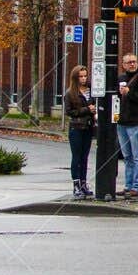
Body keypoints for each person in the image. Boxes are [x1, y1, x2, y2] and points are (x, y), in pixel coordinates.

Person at [115, 52, 138, 198]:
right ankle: (128, 185)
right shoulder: (121, 78)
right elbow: (117, 97)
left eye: (134, 61)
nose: (132, 64)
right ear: (123, 64)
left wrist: (129, 93)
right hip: (122, 122)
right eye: (129, 62)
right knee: (127, 156)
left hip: (137, 122)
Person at [63, 65, 94, 200]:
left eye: (85, 76)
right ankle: (76, 184)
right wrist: (86, 109)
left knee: (85, 157)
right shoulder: (70, 93)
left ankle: (83, 183)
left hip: (88, 126)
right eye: (80, 76)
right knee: (77, 156)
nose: (83, 79)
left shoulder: (91, 90)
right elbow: (69, 112)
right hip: (76, 127)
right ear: (75, 78)